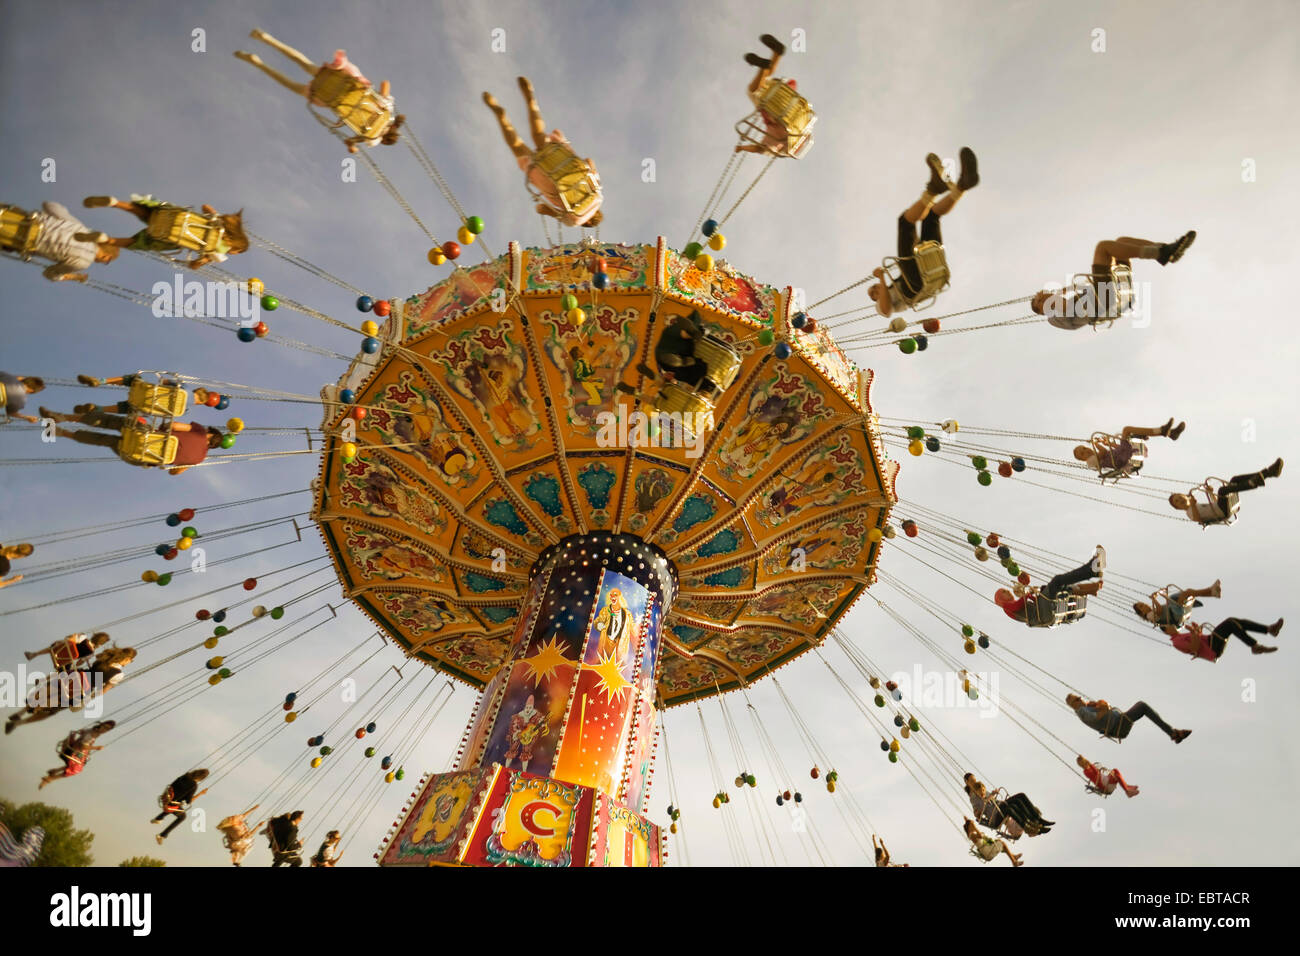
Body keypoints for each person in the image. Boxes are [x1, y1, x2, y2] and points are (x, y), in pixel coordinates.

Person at [234, 31, 404, 152]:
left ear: (393, 129)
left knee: (302, 61)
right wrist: (352, 146)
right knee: (288, 84)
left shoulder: (387, 112)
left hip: (342, 82)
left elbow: (385, 83)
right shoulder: (372, 139)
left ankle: (267, 39)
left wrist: (389, 106)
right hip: (326, 97)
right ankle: (256, 62)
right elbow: (349, 141)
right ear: (384, 141)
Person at [868, 149, 979, 317]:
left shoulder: (895, 283)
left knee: (932, 216)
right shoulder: (886, 302)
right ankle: (934, 189)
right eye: (873, 293)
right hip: (915, 286)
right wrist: (881, 279)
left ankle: (963, 186)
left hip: (927, 270)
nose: (875, 290)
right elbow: (886, 310)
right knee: (904, 223)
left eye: (873, 288)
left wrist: (884, 280)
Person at [483, 77, 603, 227]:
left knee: (538, 135)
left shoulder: (598, 195)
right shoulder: (574, 220)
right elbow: (543, 209)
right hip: (545, 179)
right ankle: (501, 117)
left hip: (562, 162)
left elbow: (589, 161)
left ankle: (531, 101)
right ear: (589, 221)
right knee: (517, 146)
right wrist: (547, 210)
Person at [1032, 231, 1196, 327]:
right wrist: (1048, 300)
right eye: (1039, 301)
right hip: (1103, 303)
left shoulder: (1073, 299)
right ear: (1041, 310)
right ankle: (1163, 254)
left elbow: (1084, 285)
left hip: (1116, 297)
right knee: (1103, 248)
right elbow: (1067, 314)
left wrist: (1064, 290)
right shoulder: (1054, 319)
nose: (1044, 296)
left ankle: (1167, 251)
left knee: (1121, 243)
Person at [39, 404, 224, 475]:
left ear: (210, 434)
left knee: (117, 423)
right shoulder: (198, 460)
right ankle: (61, 433)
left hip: (143, 436)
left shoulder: (199, 431)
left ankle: (63, 416)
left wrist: (165, 428)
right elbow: (173, 472)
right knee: (106, 441)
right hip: (137, 456)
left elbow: (174, 426)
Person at [76, 196, 248, 270]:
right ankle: (106, 239)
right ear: (237, 248)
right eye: (237, 252)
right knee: (134, 242)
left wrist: (218, 217)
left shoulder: (219, 226)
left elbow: (205, 206)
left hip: (176, 217)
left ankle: (114, 203)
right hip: (170, 237)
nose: (233, 253)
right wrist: (199, 263)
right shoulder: (220, 253)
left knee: (144, 212)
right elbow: (195, 264)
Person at [5, 646, 135, 733]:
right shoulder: (119, 674)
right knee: (52, 707)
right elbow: (104, 689)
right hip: (84, 688)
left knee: (46, 691)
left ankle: (21, 712)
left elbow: (95, 658)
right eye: (131, 661)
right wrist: (91, 698)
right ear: (128, 659)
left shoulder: (105, 657)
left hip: (77, 675)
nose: (129, 663)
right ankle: (20, 722)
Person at [0, 201, 120, 281]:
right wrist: (73, 277)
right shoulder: (83, 262)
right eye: (106, 261)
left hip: (19, 219)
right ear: (106, 256)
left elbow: (48, 205)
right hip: (16, 241)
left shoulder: (80, 227)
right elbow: (50, 274)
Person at [994, 546, 1106, 624]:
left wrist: (1034, 594)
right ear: (1000, 599)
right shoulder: (1007, 607)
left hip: (1043, 613)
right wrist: (1028, 595)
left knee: (1060, 588)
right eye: (1004, 592)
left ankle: (1091, 588)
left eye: (1005, 590)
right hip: (1043, 613)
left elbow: (1026, 604)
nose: (1008, 591)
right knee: (1057, 581)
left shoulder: (1013, 606)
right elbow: (1018, 605)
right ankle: (1092, 569)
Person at [736, 34, 803, 157]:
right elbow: (759, 148)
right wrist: (742, 148)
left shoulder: (801, 127)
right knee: (752, 91)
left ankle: (776, 54)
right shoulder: (778, 141)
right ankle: (764, 66)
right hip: (775, 107)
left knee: (765, 81)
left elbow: (760, 148)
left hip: (784, 94)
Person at [1170, 459, 1283, 525]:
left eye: (1179, 497)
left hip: (1220, 508)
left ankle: (1268, 473)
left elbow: (1215, 505)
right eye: (1178, 502)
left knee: (1234, 480)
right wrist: (1193, 505)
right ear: (1179, 508)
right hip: (1223, 512)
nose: (1180, 500)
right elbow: (1198, 519)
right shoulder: (1190, 512)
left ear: (1186, 496)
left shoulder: (1197, 505)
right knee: (1222, 490)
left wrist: (1210, 493)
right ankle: (1252, 483)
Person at [1066, 693, 1191, 744]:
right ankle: (1172, 733)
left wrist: (1099, 705)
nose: (1080, 698)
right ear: (1073, 704)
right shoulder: (1081, 711)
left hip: (1119, 722)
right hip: (1117, 726)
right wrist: (1103, 708)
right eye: (1077, 699)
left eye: (1079, 697)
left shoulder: (1086, 708)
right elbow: (1095, 718)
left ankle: (1173, 733)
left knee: (1142, 706)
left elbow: (1103, 708)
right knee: (1142, 706)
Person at [1077, 418, 1186, 474]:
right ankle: (1164, 431)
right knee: (1127, 430)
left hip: (1123, 454)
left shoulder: (1103, 455)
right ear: (1082, 459)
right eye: (1082, 453)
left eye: (1085, 448)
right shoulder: (1090, 462)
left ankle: (1170, 433)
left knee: (1130, 434)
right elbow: (1103, 452)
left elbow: (1115, 449)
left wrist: (1108, 443)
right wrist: (1096, 444)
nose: (1086, 451)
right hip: (1123, 459)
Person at [962, 773, 1054, 838]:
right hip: (995, 815)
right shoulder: (973, 797)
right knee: (1011, 807)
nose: (974, 782)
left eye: (975, 780)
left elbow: (991, 798)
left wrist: (993, 794)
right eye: (972, 781)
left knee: (1019, 798)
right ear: (967, 782)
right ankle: (1028, 827)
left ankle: (1037, 820)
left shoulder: (981, 788)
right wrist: (984, 805)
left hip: (999, 806)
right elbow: (976, 814)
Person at [39, 721, 116, 789]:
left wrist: (83, 735)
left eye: (107, 729)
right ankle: (51, 778)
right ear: (101, 725)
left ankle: (55, 771)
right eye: (105, 727)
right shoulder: (93, 734)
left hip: (75, 751)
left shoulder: (93, 730)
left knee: (81, 761)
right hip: (72, 752)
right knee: (76, 769)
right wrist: (96, 748)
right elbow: (83, 746)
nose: (105, 730)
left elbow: (82, 733)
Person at [1165, 616, 1282, 661]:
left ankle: (1268, 630)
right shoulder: (1176, 642)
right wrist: (1195, 633)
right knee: (1230, 624)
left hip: (1211, 642)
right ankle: (1256, 645)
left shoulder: (1180, 636)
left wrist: (1197, 632)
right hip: (1212, 647)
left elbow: (1198, 640)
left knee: (1232, 622)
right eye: (1172, 624)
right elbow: (1195, 648)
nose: (1175, 624)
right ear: (1167, 630)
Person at [152, 769, 210, 844]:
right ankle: (162, 835)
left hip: (166, 797)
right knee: (182, 816)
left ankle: (158, 818)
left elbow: (172, 785)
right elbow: (189, 801)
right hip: (172, 803)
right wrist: (201, 793)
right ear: (202, 778)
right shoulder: (194, 785)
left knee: (177, 806)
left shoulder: (185, 776)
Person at [25, 632, 111, 669]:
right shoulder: (91, 653)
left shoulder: (83, 637)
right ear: (100, 643)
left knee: (59, 644)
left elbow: (69, 640)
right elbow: (78, 663)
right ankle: (43, 680)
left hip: (56, 652)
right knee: (67, 672)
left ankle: (34, 654)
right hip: (62, 662)